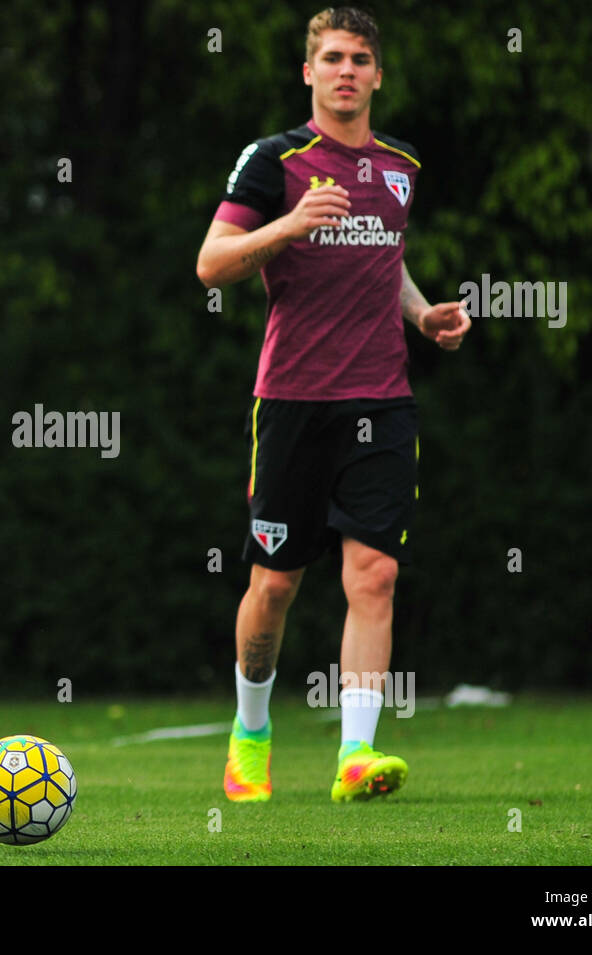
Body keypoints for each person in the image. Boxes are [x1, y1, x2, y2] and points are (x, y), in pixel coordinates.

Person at [195, 7, 470, 804]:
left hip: (382, 399)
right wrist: (289, 223)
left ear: (378, 75)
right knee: (275, 586)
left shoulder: (401, 166)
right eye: (332, 59)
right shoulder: (275, 160)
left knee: (374, 572)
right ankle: (251, 731)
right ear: (308, 73)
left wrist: (423, 317)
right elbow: (211, 265)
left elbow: (388, 263)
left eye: (360, 59)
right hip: (291, 401)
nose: (347, 71)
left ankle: (356, 756)